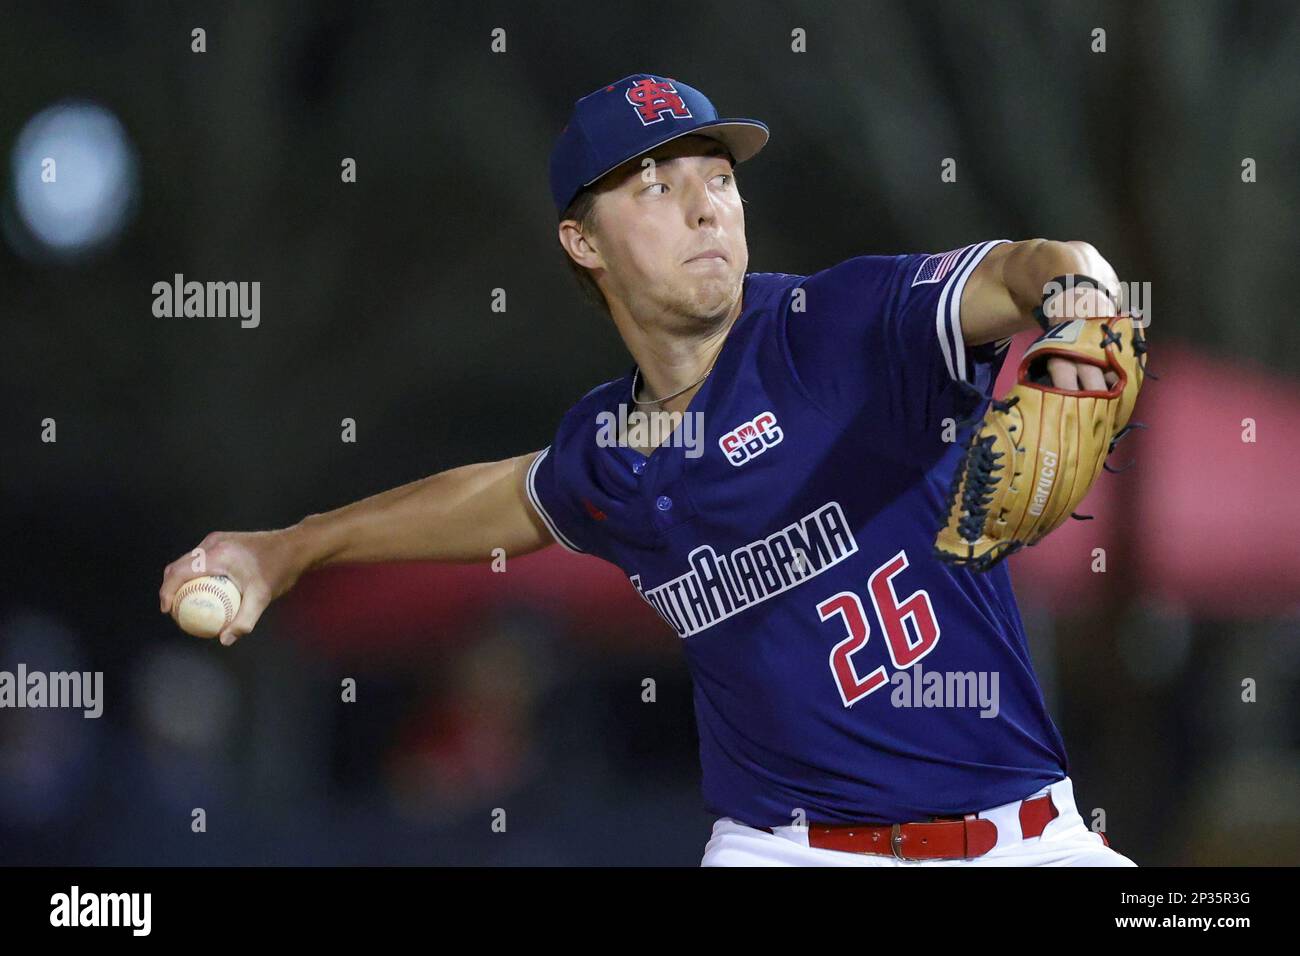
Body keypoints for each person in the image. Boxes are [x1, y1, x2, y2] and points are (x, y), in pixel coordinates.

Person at [160, 73, 1135, 866]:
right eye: (658, 186)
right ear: (582, 241)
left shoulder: (835, 330)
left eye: (718, 176)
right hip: (787, 851)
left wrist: (1083, 309)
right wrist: (289, 547)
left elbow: (1033, 265)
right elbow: (503, 496)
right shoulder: (617, 451)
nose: (705, 205)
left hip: (1027, 840)